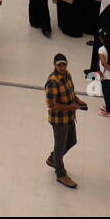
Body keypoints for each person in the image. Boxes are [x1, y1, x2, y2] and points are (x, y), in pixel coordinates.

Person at [45, 53, 87, 189]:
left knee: (72, 141)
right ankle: (61, 174)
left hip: (69, 116)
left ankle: (53, 159)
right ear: (54, 65)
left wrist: (78, 101)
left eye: (64, 64)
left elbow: (70, 92)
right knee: (60, 146)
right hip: (59, 120)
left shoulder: (67, 74)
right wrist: (71, 106)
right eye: (59, 65)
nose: (62, 67)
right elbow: (52, 105)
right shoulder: (52, 82)